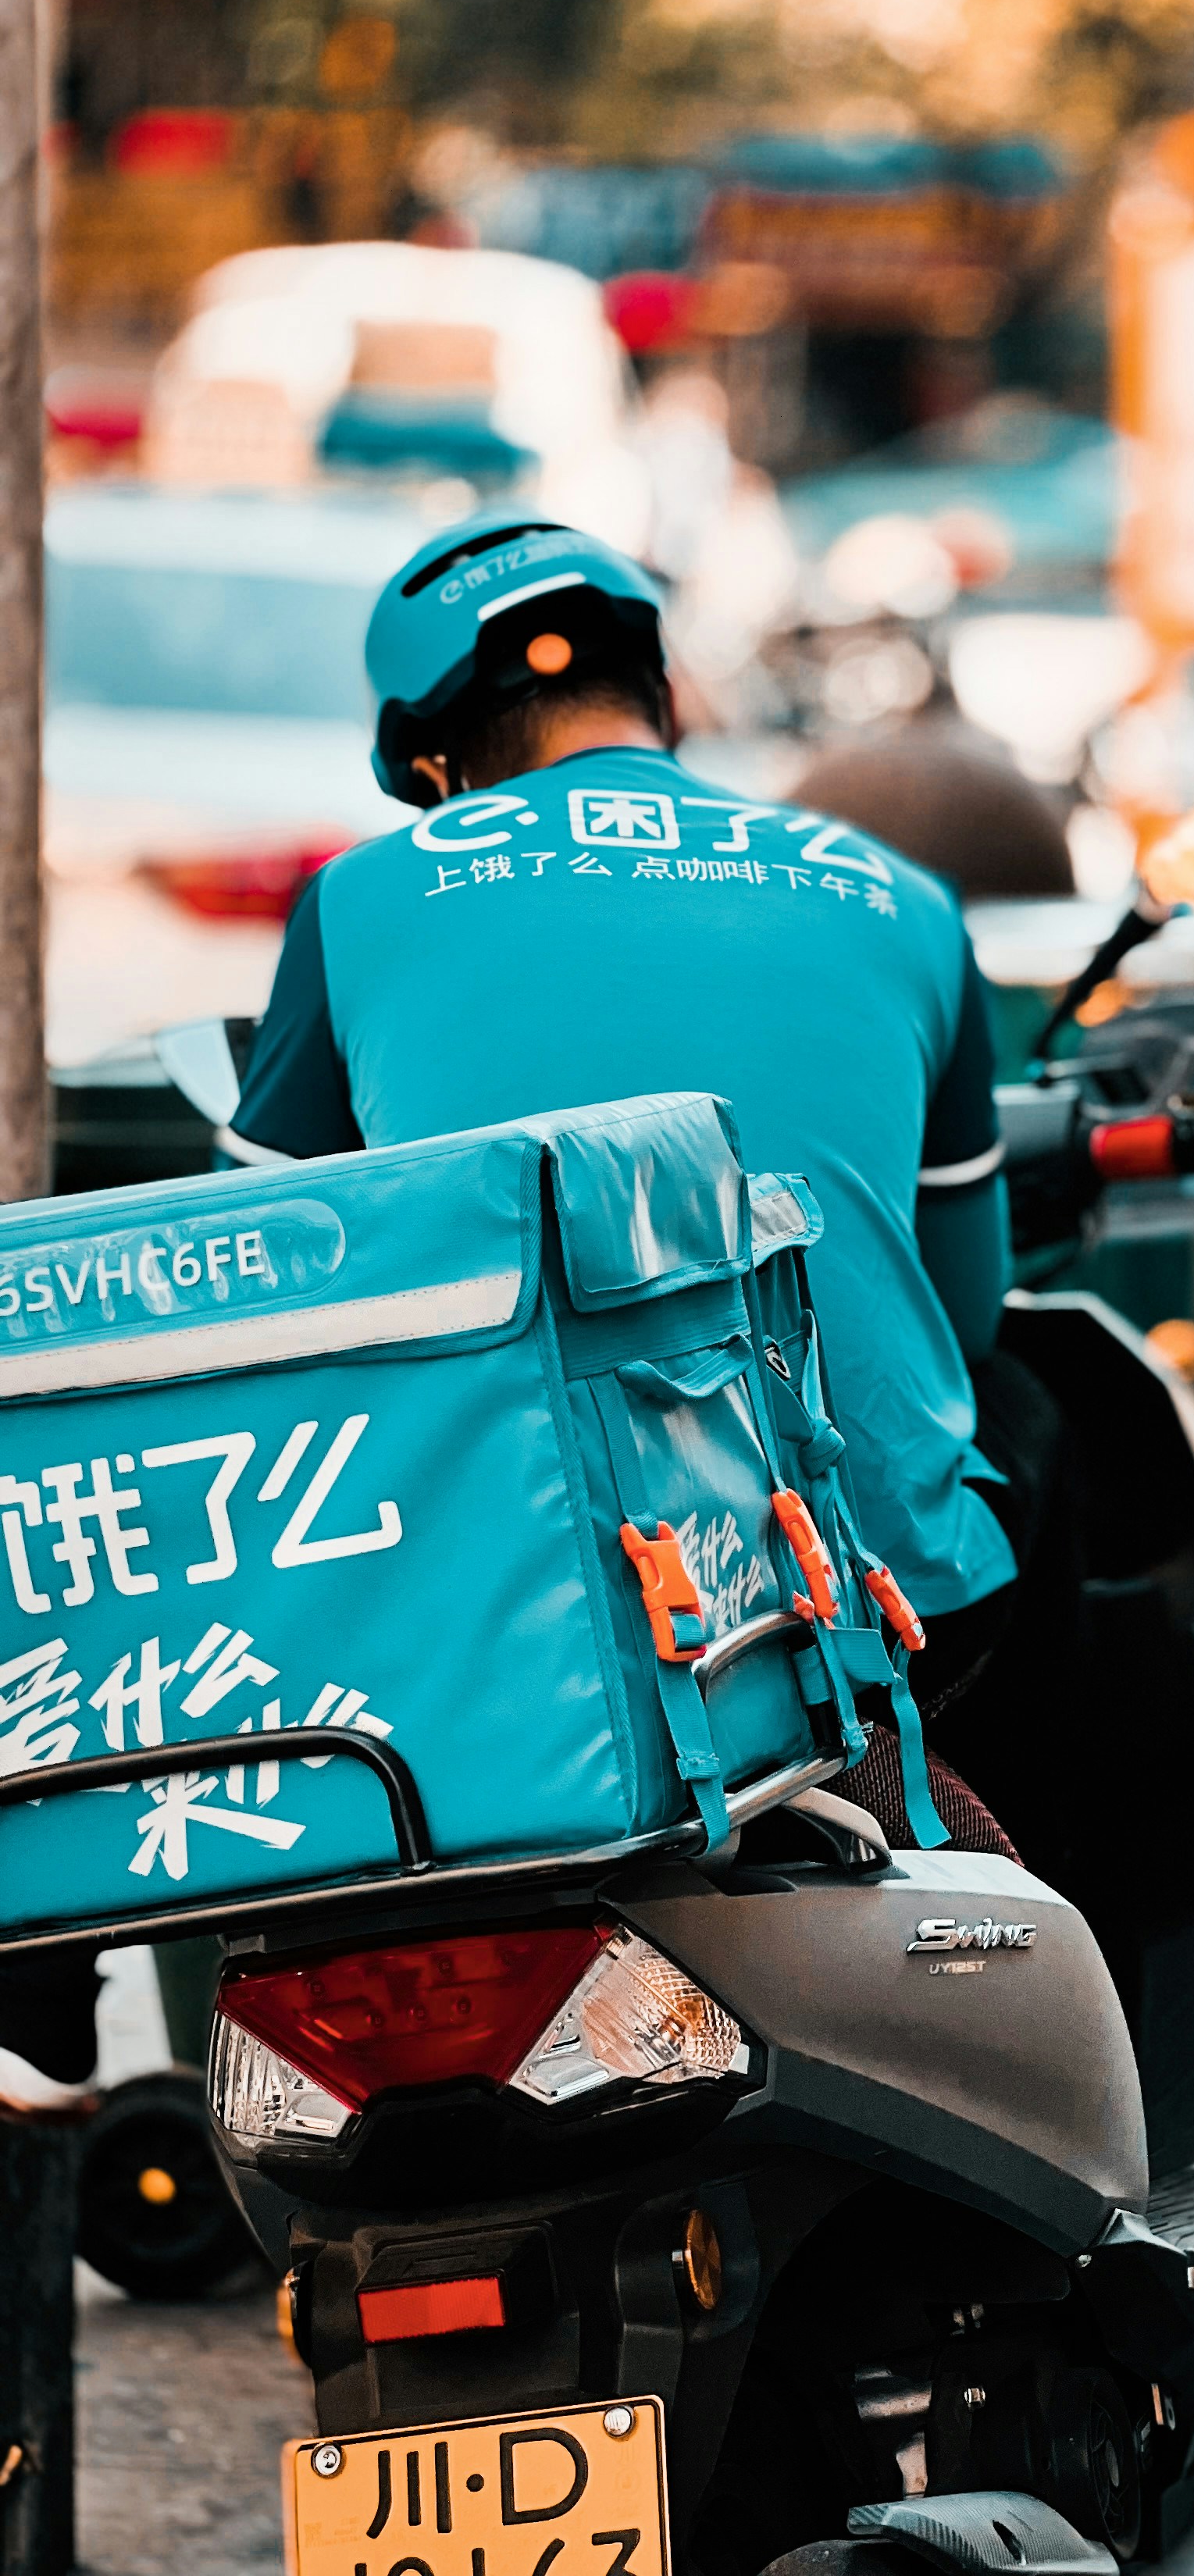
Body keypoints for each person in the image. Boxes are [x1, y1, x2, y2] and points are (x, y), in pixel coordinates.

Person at [228, 511, 1024, 1827]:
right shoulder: (900, 897)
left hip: (502, 1622)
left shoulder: (359, 899)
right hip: (861, 1616)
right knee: (1023, 1431)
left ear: (433, 763)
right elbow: (970, 1313)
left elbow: (262, 1284)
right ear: (665, 696)